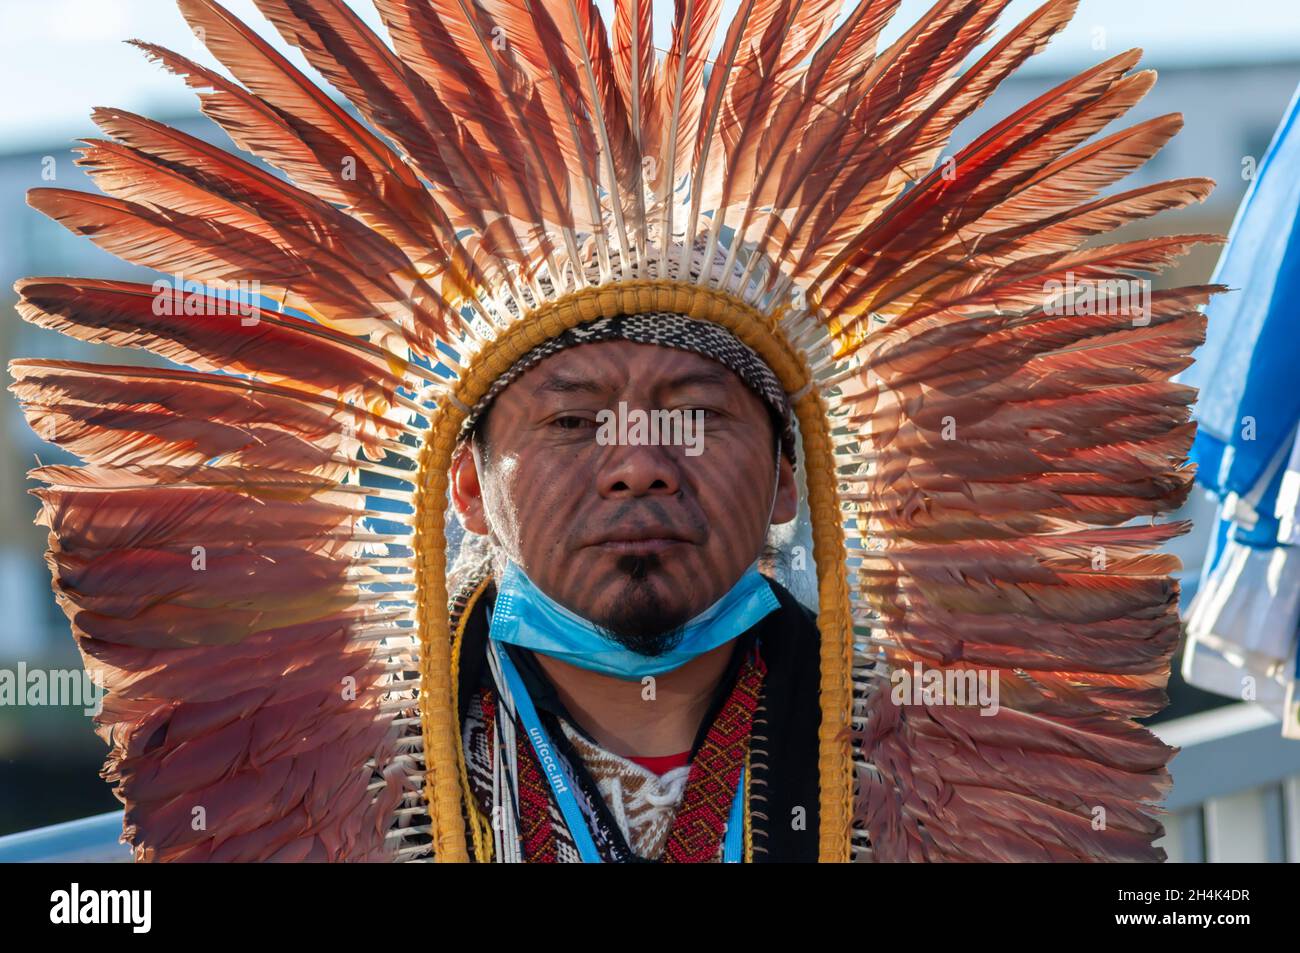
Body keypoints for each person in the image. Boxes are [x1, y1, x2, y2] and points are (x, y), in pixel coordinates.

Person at [12, 0, 1219, 862]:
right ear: (467, 488)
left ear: (789, 478)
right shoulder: (376, 786)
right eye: (573, 418)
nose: (638, 460)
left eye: (695, 413)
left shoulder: (907, 757)